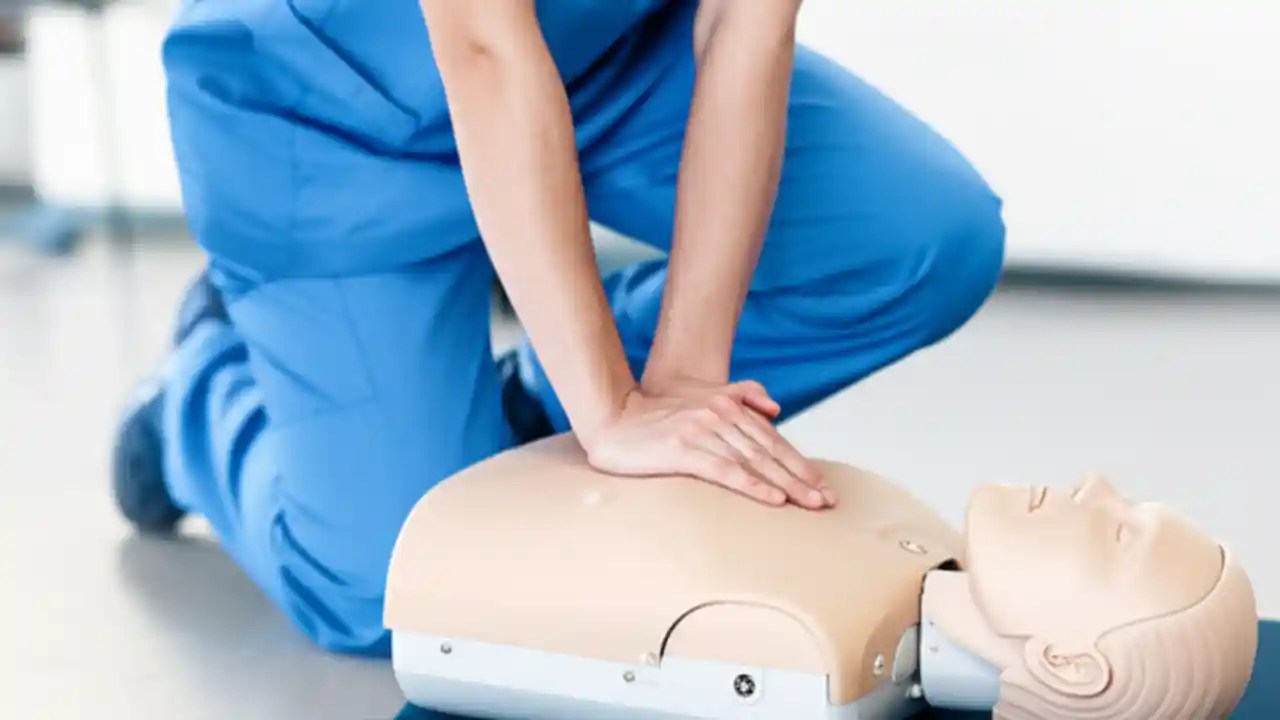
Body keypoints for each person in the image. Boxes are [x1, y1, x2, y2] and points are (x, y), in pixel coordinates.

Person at [112, 0, 1005, 656]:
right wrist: (611, 409)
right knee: (384, 589)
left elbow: (745, 23)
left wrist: (680, 379)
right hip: (325, 115)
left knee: (922, 243)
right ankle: (202, 388)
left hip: (603, 68)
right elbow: (484, 47)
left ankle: (515, 412)